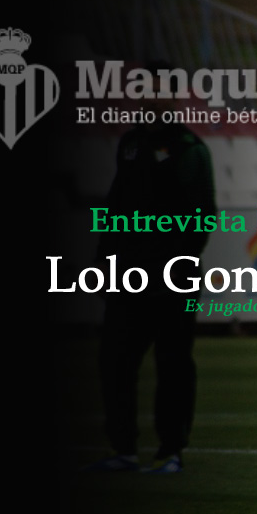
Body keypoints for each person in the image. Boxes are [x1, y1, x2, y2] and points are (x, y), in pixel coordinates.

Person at [83, 76, 215, 474]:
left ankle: (170, 451)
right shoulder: (131, 144)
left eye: (157, 90)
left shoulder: (189, 149)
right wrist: (104, 264)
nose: (148, 98)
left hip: (175, 277)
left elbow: (201, 216)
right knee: (114, 362)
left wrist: (179, 268)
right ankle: (123, 449)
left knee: (173, 363)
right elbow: (115, 205)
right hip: (128, 275)